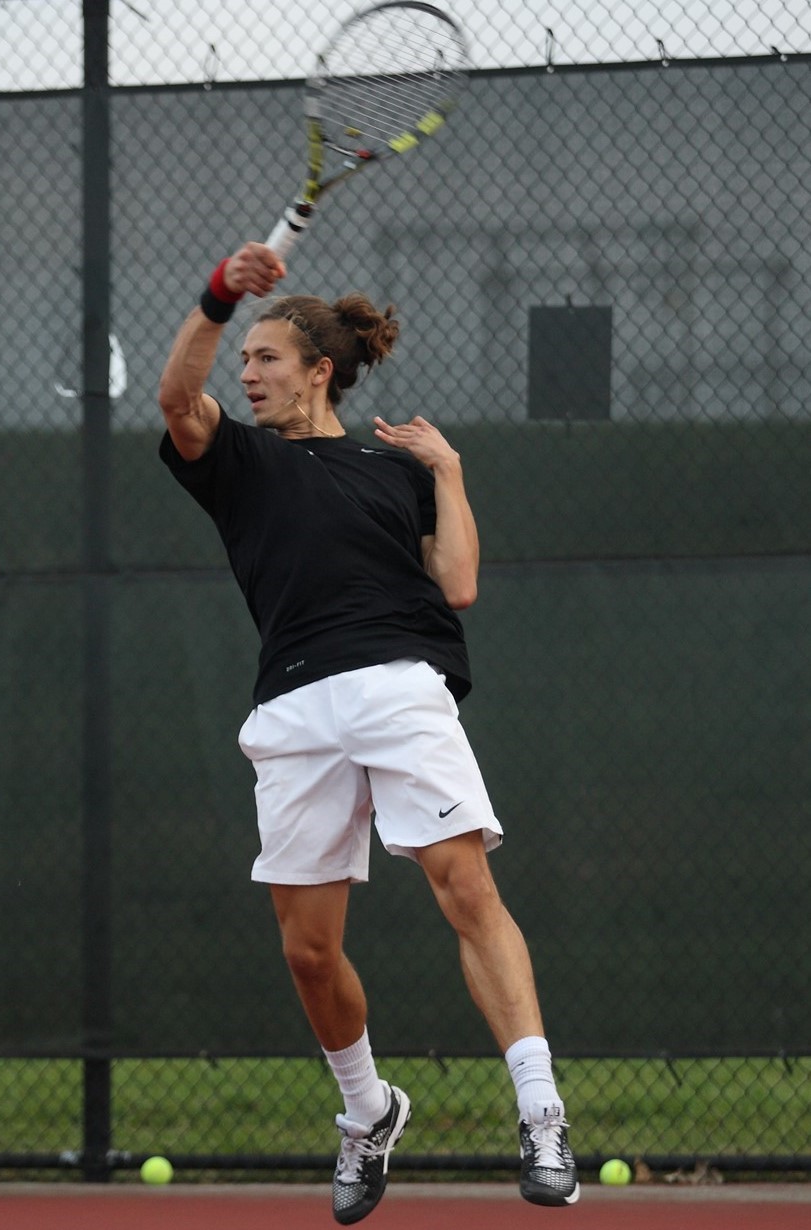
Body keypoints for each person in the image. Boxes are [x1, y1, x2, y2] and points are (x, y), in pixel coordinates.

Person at [157, 243, 579, 1223]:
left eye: (264, 359)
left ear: (318, 370)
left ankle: (542, 1109)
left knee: (465, 884)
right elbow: (180, 397)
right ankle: (369, 1108)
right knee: (308, 951)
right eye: (243, 359)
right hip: (293, 705)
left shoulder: (398, 469)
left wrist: (452, 472)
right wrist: (219, 293)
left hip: (398, 683)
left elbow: (459, 580)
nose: (245, 374)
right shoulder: (242, 461)